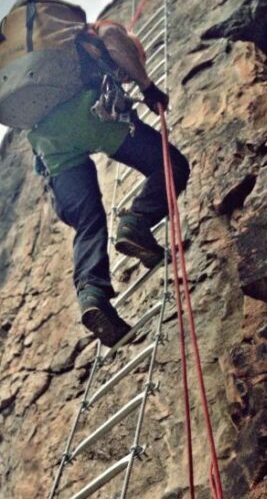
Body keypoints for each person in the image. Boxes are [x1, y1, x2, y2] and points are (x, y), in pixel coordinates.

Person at [27, 20, 190, 347]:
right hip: (87, 112)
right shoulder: (104, 30)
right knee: (171, 164)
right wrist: (147, 87)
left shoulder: (47, 64)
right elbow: (116, 44)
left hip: (47, 141)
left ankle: (93, 296)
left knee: (88, 221)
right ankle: (136, 223)